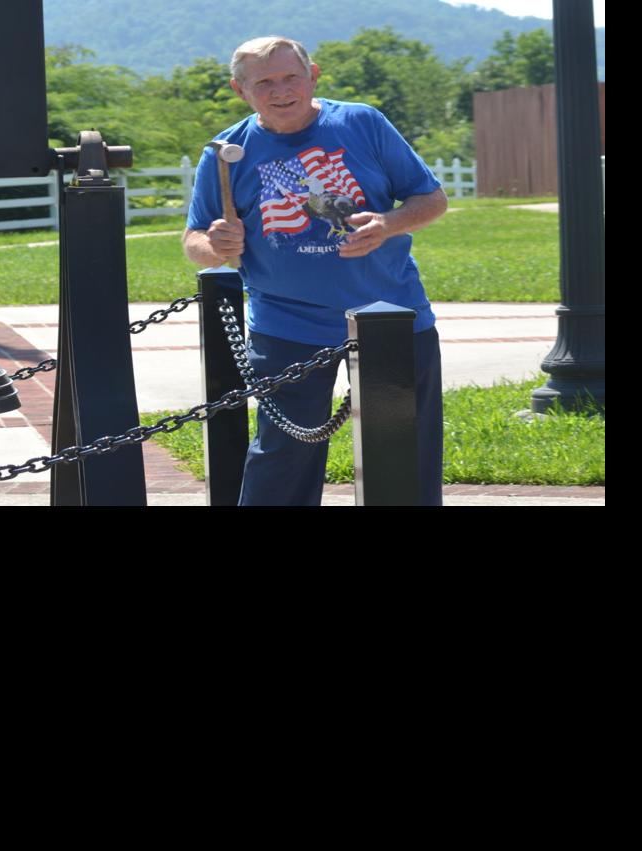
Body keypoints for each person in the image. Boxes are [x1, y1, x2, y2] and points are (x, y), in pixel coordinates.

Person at [184, 36, 449, 506]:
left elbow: (431, 200)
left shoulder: (362, 122)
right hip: (286, 324)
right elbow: (195, 242)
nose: (281, 90)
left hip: (391, 316)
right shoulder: (226, 153)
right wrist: (215, 245)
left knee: (406, 453)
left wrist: (387, 223)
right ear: (240, 89)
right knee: (282, 456)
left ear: (314, 76)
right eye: (264, 82)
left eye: (291, 77)